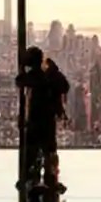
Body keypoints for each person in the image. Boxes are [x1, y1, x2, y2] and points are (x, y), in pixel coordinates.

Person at [17, 47, 69, 193]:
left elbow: (20, 81)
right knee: (49, 151)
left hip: (36, 119)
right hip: (47, 119)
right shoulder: (49, 76)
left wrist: (22, 68)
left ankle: (31, 178)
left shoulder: (35, 76)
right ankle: (50, 179)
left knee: (33, 150)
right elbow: (64, 88)